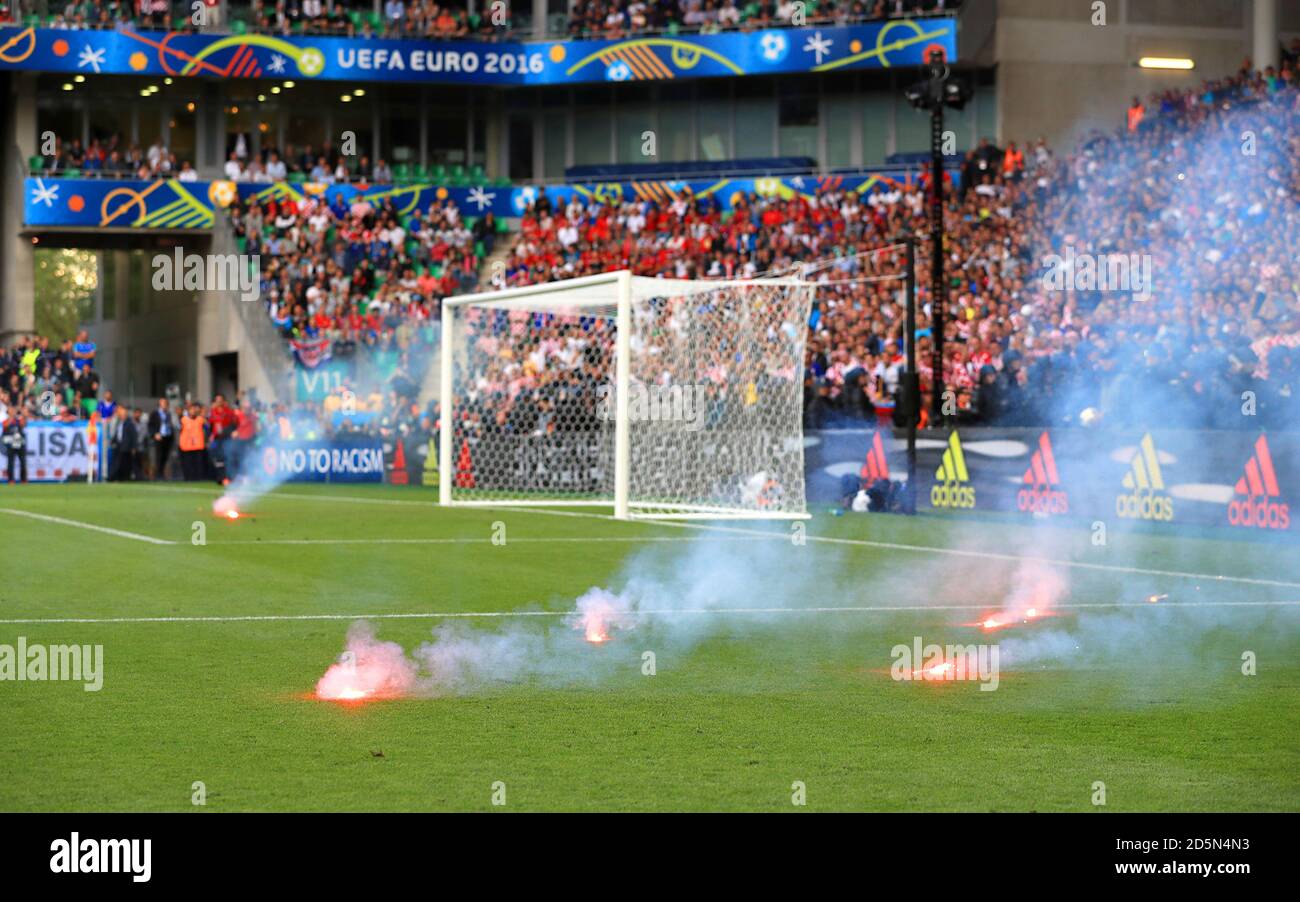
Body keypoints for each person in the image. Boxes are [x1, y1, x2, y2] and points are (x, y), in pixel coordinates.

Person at [177, 402, 208, 482]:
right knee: (188, 464)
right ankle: (188, 478)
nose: (193, 411)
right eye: (191, 410)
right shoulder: (183, 420)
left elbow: (207, 429)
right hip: (186, 446)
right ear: (188, 411)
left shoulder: (201, 420)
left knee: (198, 464)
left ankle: (199, 478)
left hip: (198, 446)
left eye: (194, 409)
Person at [148, 397, 176, 480]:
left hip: (167, 437)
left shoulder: (168, 414)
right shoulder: (155, 413)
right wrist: (154, 434)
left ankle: (162, 473)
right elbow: (150, 425)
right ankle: (157, 474)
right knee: (158, 457)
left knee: (165, 456)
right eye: (162, 403)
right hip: (159, 437)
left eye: (165, 403)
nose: (164, 405)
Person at [108, 407, 137, 482]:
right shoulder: (119, 423)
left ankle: (124, 477)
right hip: (118, 446)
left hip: (126, 447)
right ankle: (115, 477)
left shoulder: (130, 424)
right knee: (117, 463)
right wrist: (112, 441)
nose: (122, 416)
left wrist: (133, 447)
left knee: (125, 464)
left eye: (124, 414)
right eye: (121, 415)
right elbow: (117, 434)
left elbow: (134, 436)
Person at [2, 409, 26, 484]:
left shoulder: (19, 419)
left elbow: (23, 424)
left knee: (23, 462)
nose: (13, 412)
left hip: (20, 444)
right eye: (11, 411)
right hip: (11, 444)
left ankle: (23, 479)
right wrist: (11, 418)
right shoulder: (6, 420)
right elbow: (5, 425)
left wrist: (21, 415)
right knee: (10, 463)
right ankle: (10, 479)